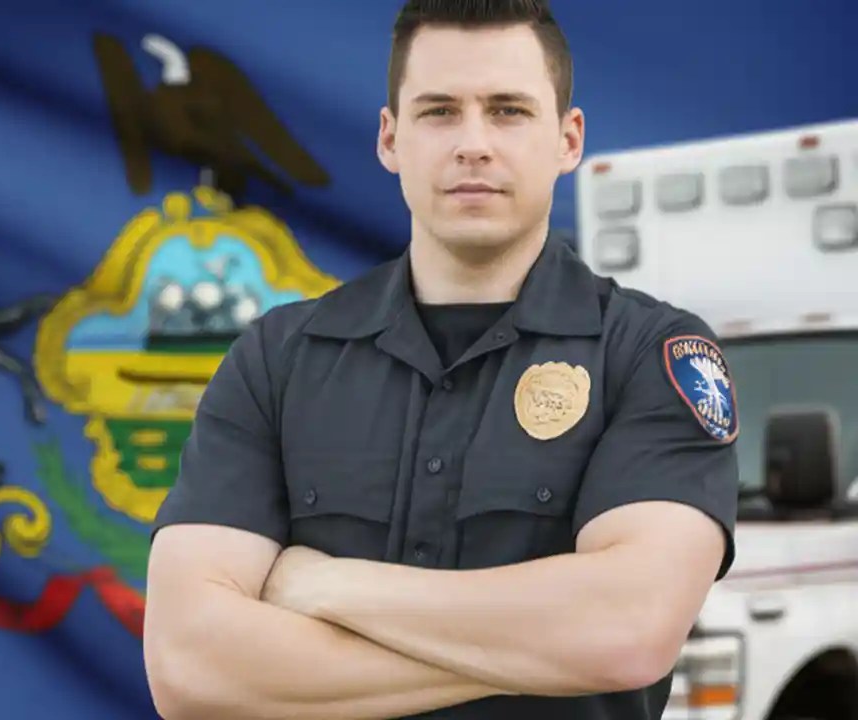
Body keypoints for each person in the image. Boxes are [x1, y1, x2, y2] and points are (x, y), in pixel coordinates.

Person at [142, 1, 740, 718]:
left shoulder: (648, 355)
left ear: (568, 139)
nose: (473, 143)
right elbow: (190, 666)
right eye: (439, 112)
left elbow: (627, 632)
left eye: (509, 110)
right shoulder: (277, 361)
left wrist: (329, 587)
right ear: (391, 139)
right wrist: (544, 648)